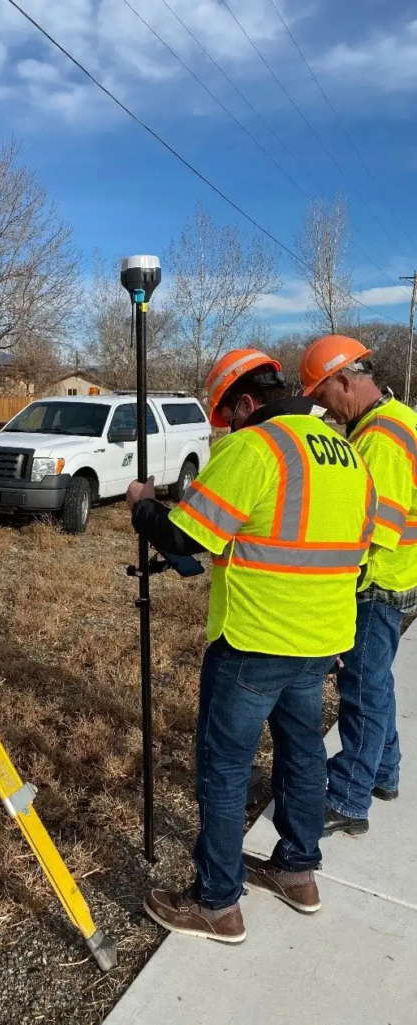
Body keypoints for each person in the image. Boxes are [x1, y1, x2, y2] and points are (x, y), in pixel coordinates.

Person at [126, 348, 375, 944]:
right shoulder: (346, 453)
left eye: (227, 416)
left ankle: (216, 902)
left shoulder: (255, 447)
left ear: (244, 403)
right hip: (322, 639)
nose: (227, 429)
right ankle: (298, 871)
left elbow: (187, 536)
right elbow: (358, 547)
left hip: (255, 641)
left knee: (224, 767)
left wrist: (142, 507)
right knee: (303, 754)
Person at [299, 335, 417, 835]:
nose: (325, 409)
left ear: (345, 380)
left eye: (323, 396)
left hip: (381, 586)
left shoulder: (380, 440)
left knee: (363, 690)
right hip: (403, 579)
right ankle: (384, 773)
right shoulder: (400, 418)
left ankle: (348, 799)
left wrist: (337, 594)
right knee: (378, 682)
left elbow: (374, 534)